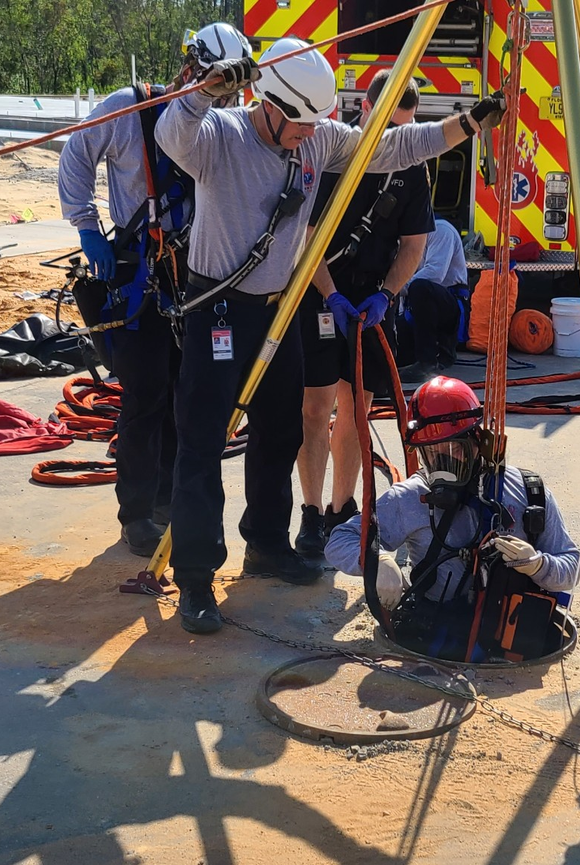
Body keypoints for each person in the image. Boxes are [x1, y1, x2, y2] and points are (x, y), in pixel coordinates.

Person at [155, 37, 506, 633]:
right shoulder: (221, 135)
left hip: (279, 306)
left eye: (312, 123)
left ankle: (266, 541)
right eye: (295, 122)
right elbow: (173, 135)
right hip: (217, 306)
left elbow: (394, 145)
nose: (304, 135)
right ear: (265, 102)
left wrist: (467, 123)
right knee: (203, 439)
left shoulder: (315, 137)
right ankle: (195, 577)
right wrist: (207, 87)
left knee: (282, 427)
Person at [59, 22, 252, 559]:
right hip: (139, 280)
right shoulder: (131, 110)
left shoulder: (219, 126)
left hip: (197, 278)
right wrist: (86, 226)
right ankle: (137, 512)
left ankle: (169, 500)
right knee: (144, 397)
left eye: (229, 90)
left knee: (183, 396)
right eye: (215, 82)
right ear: (190, 70)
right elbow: (77, 155)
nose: (221, 96)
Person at [323, 377, 580, 663]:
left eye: (454, 448)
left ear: (478, 441)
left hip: (514, 637)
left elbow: (570, 567)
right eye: (432, 454)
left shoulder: (528, 493)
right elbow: (340, 541)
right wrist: (377, 562)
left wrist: (538, 565)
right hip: (438, 636)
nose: (445, 463)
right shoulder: (410, 498)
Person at [294, 70, 436, 565]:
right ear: (365, 109)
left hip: (375, 302)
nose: (396, 140)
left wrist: (386, 295)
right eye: (388, 128)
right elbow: (305, 237)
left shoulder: (412, 165)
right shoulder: (332, 153)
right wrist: (331, 294)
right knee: (314, 410)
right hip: (322, 293)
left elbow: (414, 246)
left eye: (404, 130)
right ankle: (310, 515)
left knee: (356, 414)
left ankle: (340, 513)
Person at [397, 218, 467, 375]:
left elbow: (435, 273)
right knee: (395, 355)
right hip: (418, 306)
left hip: (449, 304)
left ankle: (428, 363)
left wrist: (398, 287)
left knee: (420, 286)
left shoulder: (442, 231)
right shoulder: (406, 241)